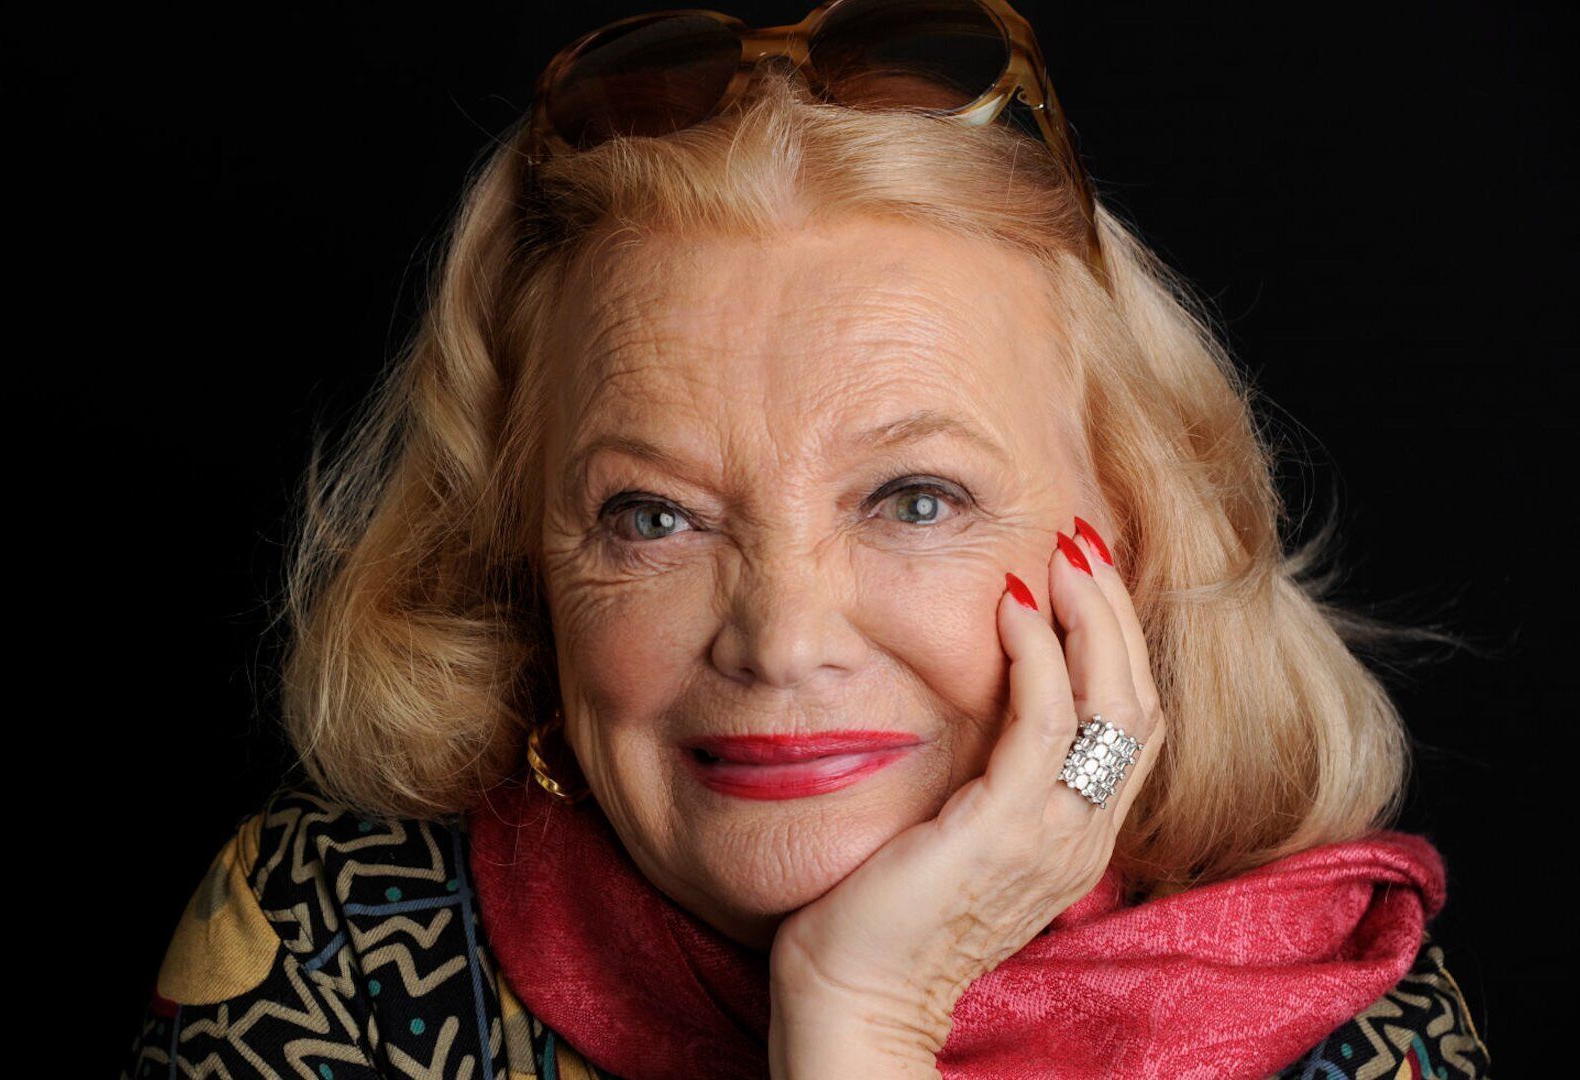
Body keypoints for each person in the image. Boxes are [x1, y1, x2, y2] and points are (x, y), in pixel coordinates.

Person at [122, 1, 1491, 1076]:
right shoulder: (337, 939)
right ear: (524, 563)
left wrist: (859, 1013)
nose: (780, 642)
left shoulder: (1343, 1019)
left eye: (916, 500)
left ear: (1128, 536)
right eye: (653, 516)